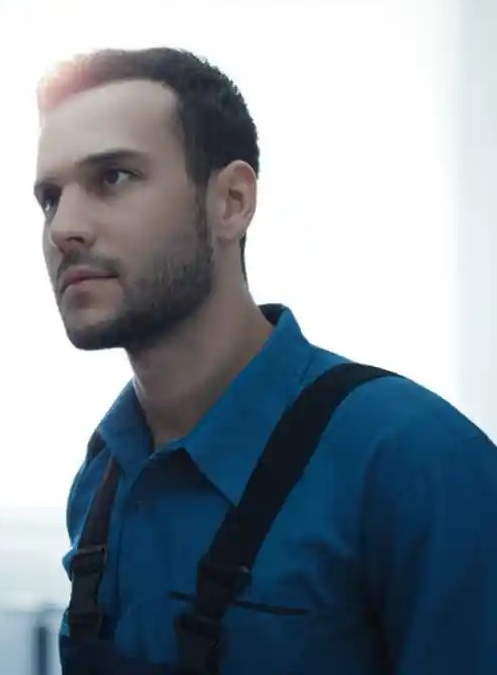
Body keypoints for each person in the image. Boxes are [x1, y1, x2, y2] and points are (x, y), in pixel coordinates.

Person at [33, 47, 497, 674]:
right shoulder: (104, 479)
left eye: (113, 177)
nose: (64, 227)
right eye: (50, 197)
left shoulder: (415, 462)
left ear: (230, 202)